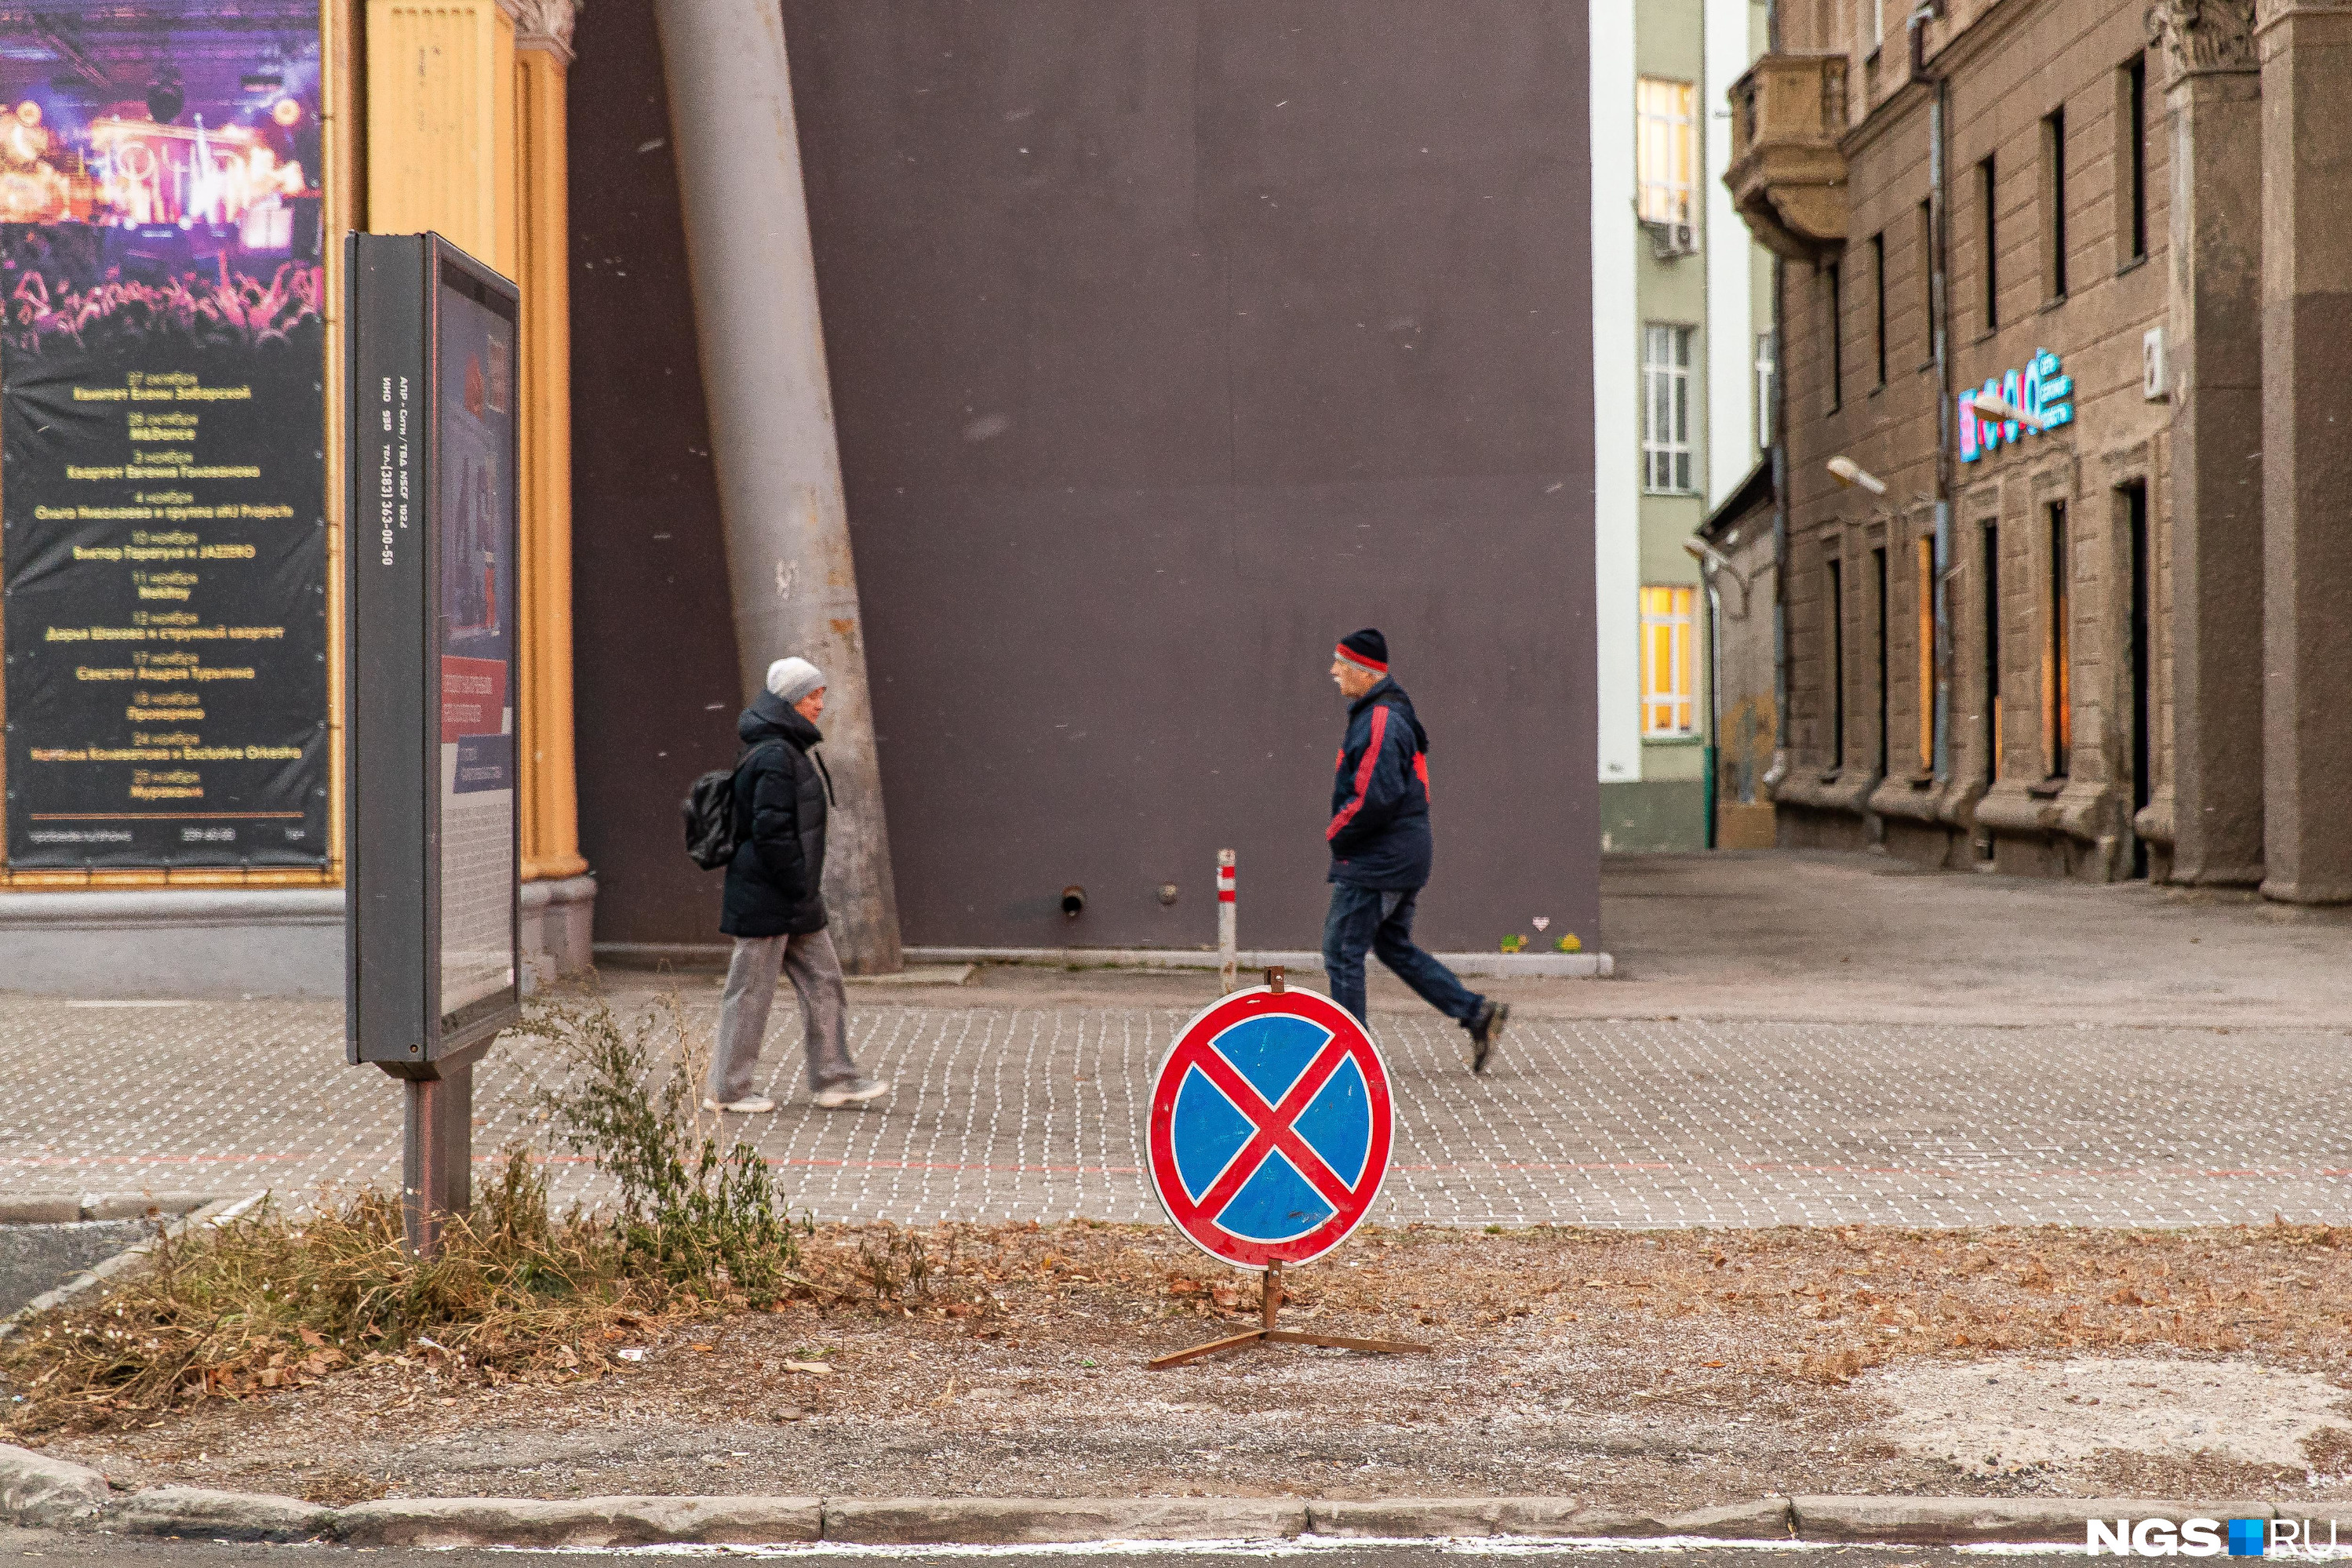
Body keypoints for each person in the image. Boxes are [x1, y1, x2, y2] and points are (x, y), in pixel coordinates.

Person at [707, 657, 890, 1113]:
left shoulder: (785, 750)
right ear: (790, 701)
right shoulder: (774, 756)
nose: (821, 704)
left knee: (824, 982)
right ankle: (728, 1090)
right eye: (814, 695)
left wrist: (800, 889)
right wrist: (795, 883)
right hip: (770, 895)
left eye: (821, 694)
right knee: (750, 992)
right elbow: (772, 833)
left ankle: (835, 1080)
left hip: (791, 896)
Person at [1321, 628, 1509, 1072]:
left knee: (1342, 949)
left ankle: (1353, 1062)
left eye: (1340, 664)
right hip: (1402, 853)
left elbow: (1374, 797)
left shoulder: (1381, 719)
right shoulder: (1380, 714)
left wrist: (1338, 832)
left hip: (1379, 858)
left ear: (1363, 670)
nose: (1333, 672)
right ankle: (1476, 1012)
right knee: (1391, 945)